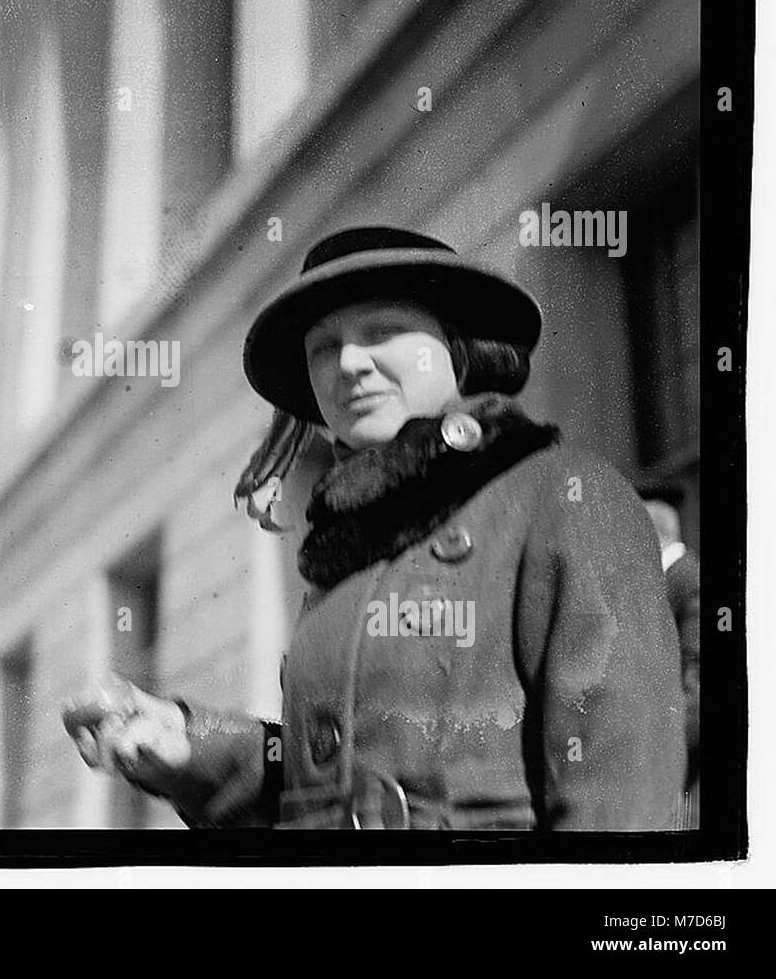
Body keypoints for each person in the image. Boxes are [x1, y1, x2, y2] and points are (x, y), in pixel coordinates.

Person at [64, 226, 687, 830]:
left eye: (383, 332)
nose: (350, 364)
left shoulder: (566, 498)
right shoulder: (344, 546)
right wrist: (187, 745)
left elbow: (620, 800)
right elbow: (325, 791)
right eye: (323, 348)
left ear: (459, 348)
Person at [642, 489, 701, 822]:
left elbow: (698, 680)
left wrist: (665, 747)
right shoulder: (667, 579)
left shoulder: (689, 581)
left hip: (677, 749)